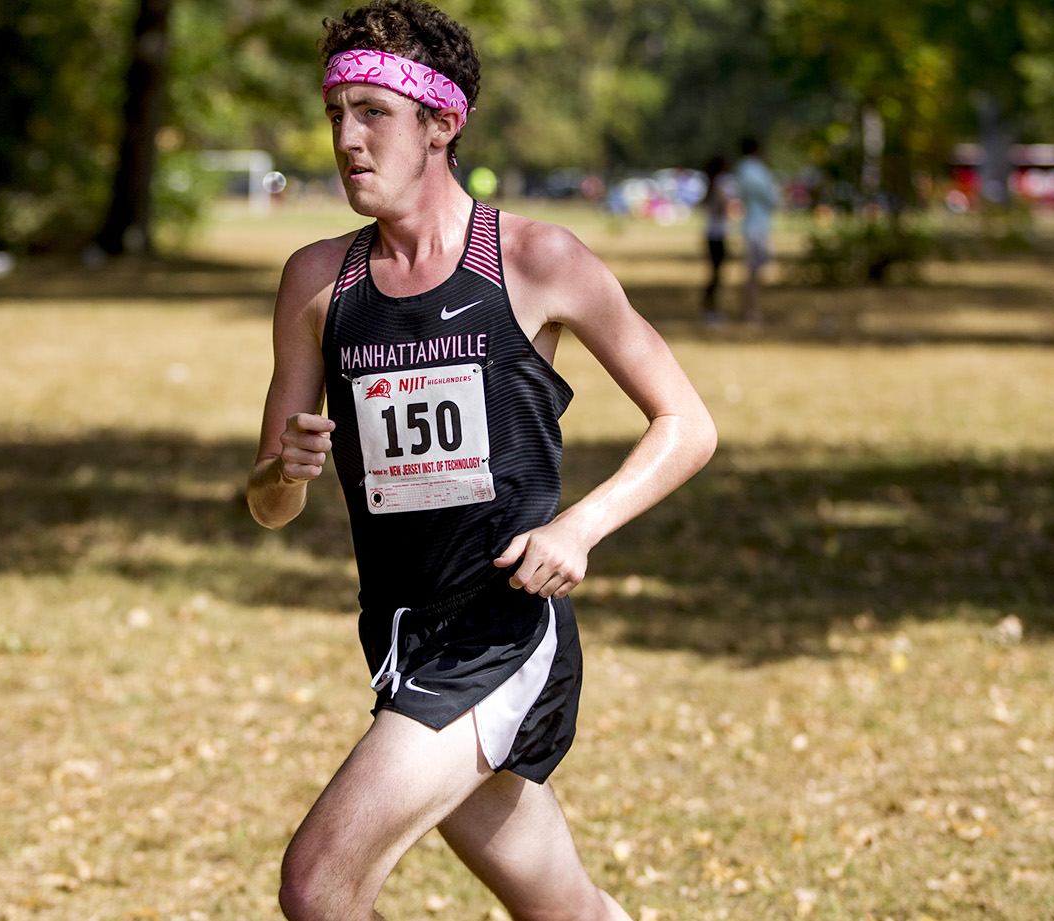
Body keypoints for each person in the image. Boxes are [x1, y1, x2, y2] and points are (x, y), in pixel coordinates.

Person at [246, 3, 717, 919]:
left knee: (319, 882)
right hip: (396, 636)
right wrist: (283, 472)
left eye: (373, 112)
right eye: (335, 111)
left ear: (442, 123)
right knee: (562, 905)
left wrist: (580, 525)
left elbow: (686, 423)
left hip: (500, 629)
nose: (346, 137)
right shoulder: (316, 281)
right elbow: (269, 504)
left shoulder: (537, 260)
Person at [734, 136, 780, 323]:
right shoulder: (755, 171)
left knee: (754, 271)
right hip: (757, 226)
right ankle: (750, 311)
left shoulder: (743, 169)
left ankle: (751, 309)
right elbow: (771, 198)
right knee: (753, 272)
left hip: (752, 225)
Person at [699, 154, 730, 326]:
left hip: (712, 234)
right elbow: (721, 207)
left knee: (714, 274)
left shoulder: (710, 185)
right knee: (716, 275)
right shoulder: (718, 184)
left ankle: (710, 308)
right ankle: (710, 309)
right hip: (717, 235)